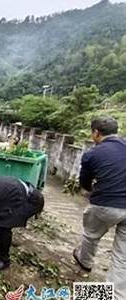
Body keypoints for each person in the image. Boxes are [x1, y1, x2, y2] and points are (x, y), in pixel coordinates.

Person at [73, 116, 125, 300]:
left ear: (95, 132)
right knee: (122, 256)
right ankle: (117, 295)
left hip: (105, 203)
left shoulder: (92, 154)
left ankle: (85, 263)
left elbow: (85, 183)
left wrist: (91, 190)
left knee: (91, 235)